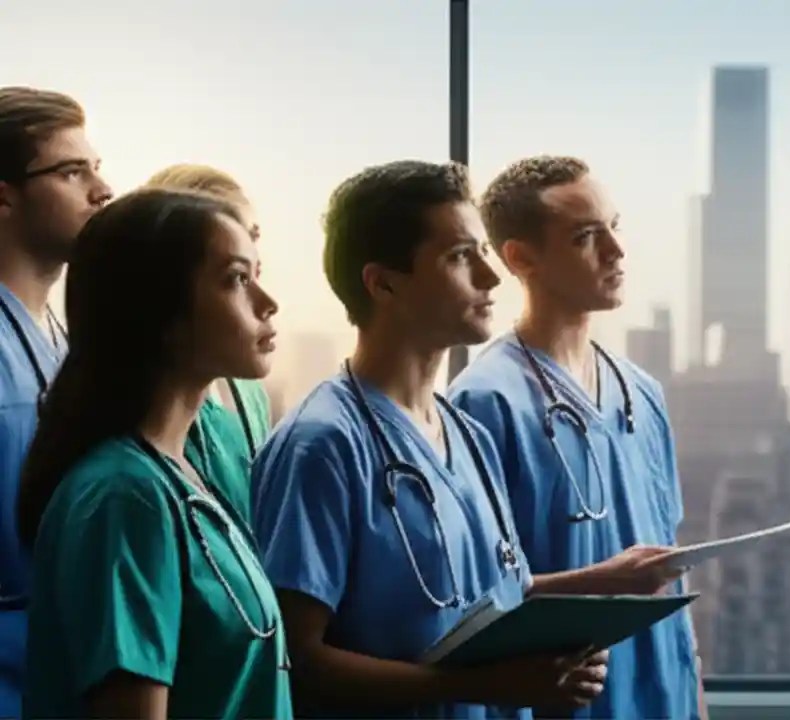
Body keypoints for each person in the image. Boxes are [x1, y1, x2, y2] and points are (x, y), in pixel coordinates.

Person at [250, 160, 612, 719]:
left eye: (484, 256)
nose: (491, 280)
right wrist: (478, 685)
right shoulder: (322, 445)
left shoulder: (468, 436)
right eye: (459, 258)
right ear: (383, 282)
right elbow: (293, 659)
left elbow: (502, 597)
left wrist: (555, 660)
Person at [17, 188, 290, 719]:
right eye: (236, 279)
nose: (267, 302)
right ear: (161, 311)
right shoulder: (124, 497)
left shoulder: (185, 473)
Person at [449, 155, 704, 719]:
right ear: (521, 258)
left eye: (615, 227)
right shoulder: (484, 403)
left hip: (665, 694)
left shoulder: (641, 392)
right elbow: (476, 598)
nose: (616, 251)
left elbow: (668, 576)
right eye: (587, 236)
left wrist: (696, 703)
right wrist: (601, 581)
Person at [0, 86, 112, 717]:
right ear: (3, 194)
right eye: (73, 172)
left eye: (96, 168)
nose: (103, 190)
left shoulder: (66, 345)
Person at [144, 163, 274, 522]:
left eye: (254, 235)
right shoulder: (158, 415)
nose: (252, 251)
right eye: (233, 273)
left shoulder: (249, 389)